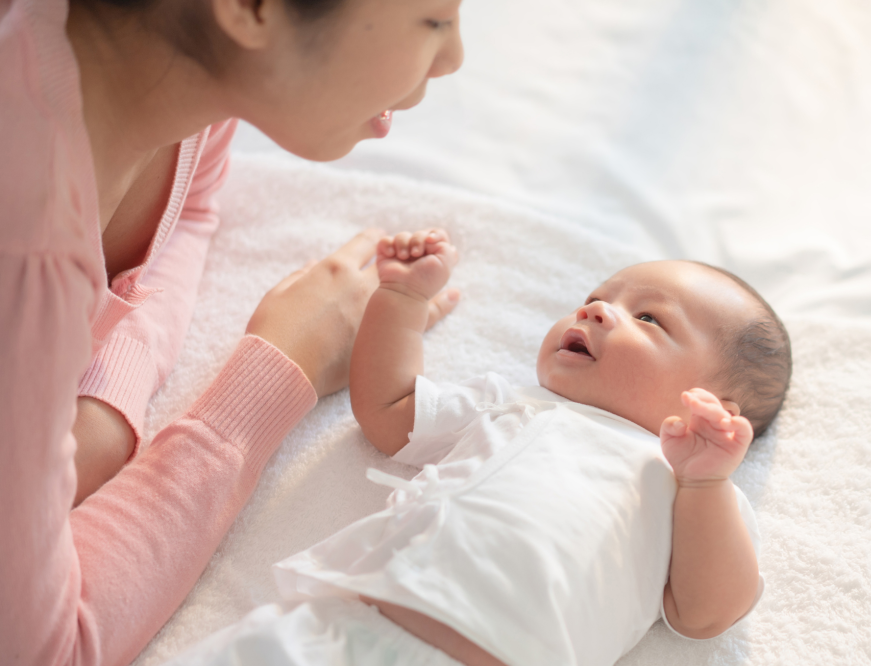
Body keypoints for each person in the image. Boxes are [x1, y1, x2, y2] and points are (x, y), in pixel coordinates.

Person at [0, 0, 503, 662]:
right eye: (436, 14)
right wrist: (275, 368)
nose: (454, 57)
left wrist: (97, 420)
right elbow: (42, 646)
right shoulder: (28, 237)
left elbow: (188, 211)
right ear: (252, 0)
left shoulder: (147, 39)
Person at [168, 229, 792, 666]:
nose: (599, 310)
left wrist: (707, 482)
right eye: (597, 299)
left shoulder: (691, 486)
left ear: (714, 411)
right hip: (340, 631)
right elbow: (390, 415)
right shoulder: (513, 401)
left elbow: (705, 615)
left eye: (650, 319)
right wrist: (402, 303)